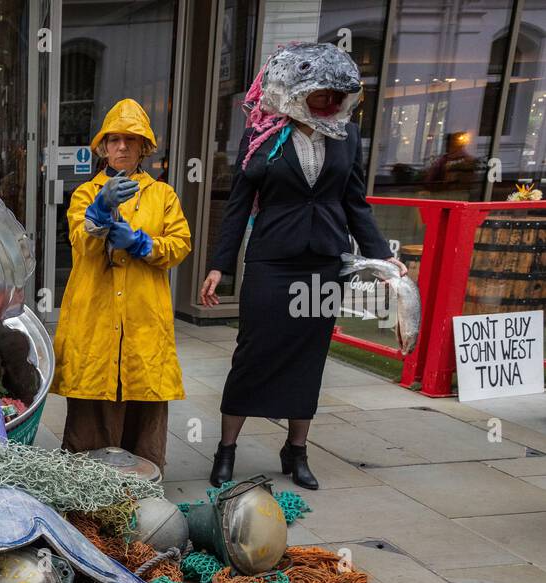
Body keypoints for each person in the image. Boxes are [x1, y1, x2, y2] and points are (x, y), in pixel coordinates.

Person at [199, 42, 405, 490]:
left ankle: (296, 450)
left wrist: (382, 257)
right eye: (321, 95)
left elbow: (354, 202)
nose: (331, 104)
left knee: (309, 356)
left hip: (323, 263)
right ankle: (226, 449)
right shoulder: (262, 137)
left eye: (337, 96)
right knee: (254, 353)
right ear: (293, 93)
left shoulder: (346, 136)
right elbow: (237, 206)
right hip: (272, 261)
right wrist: (219, 266)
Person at [51, 99, 191, 470]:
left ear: (144, 147)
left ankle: (143, 492)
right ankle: (85, 494)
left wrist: (145, 245)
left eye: (131, 140)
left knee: (143, 402)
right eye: (114, 140)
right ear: (103, 147)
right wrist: (98, 213)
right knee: (91, 404)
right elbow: (82, 241)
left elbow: (180, 244)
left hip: (143, 318)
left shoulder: (163, 195)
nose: (122, 147)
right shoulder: (85, 193)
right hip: (95, 316)